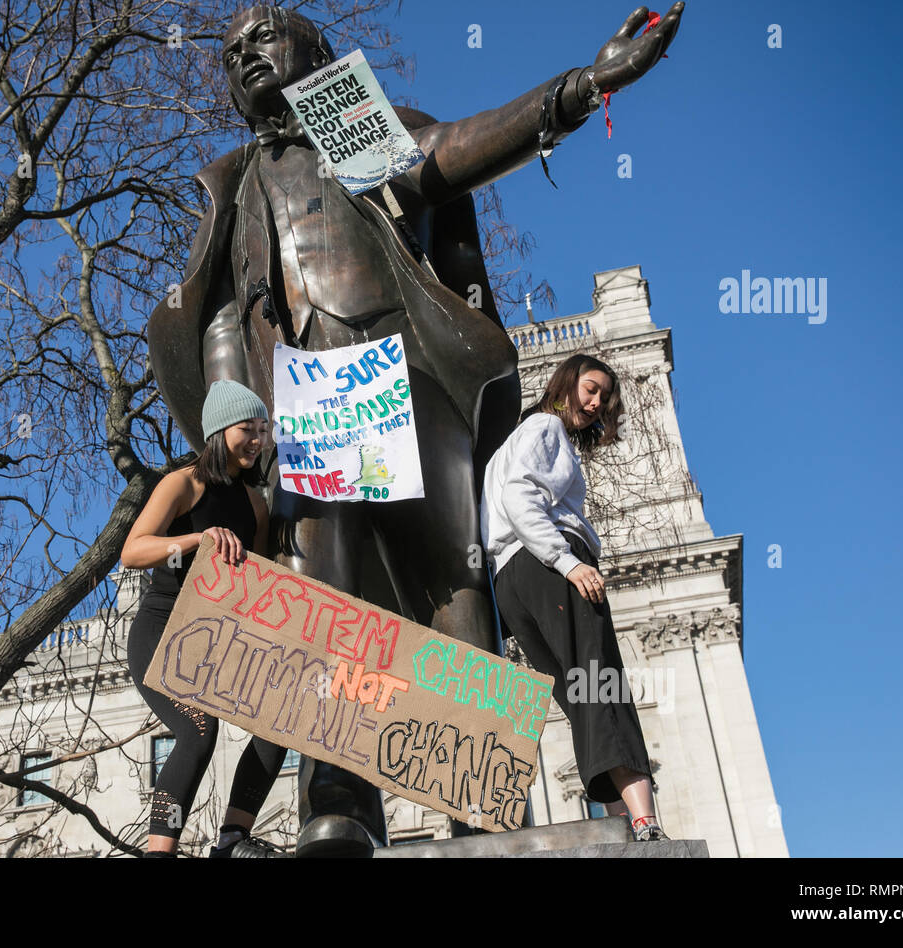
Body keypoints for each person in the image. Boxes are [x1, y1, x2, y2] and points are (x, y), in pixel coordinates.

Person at [147, 4, 684, 855]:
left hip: (403, 381)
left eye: (264, 37)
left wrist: (583, 87)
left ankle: (470, 790)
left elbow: (456, 152)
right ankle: (341, 797)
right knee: (328, 601)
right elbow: (223, 314)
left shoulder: (358, 126)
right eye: (229, 51)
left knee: (450, 579)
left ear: (315, 50)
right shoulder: (235, 182)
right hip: (305, 411)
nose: (245, 55)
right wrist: (236, 425)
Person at [480, 353, 667, 841]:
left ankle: (618, 826)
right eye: (590, 387)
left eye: (604, 396)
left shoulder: (509, 444)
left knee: (579, 696)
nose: (596, 401)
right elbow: (522, 497)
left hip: (511, 580)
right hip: (550, 564)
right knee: (602, 684)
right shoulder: (545, 428)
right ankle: (644, 823)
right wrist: (569, 561)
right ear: (565, 382)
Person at [121, 379, 287, 857]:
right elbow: (133, 551)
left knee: (278, 718)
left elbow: (256, 585)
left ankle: (232, 840)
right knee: (198, 730)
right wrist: (197, 540)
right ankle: (159, 852)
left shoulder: (255, 504)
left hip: (217, 640)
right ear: (219, 432)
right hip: (162, 633)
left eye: (263, 429)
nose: (257, 440)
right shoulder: (183, 484)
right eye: (247, 429)